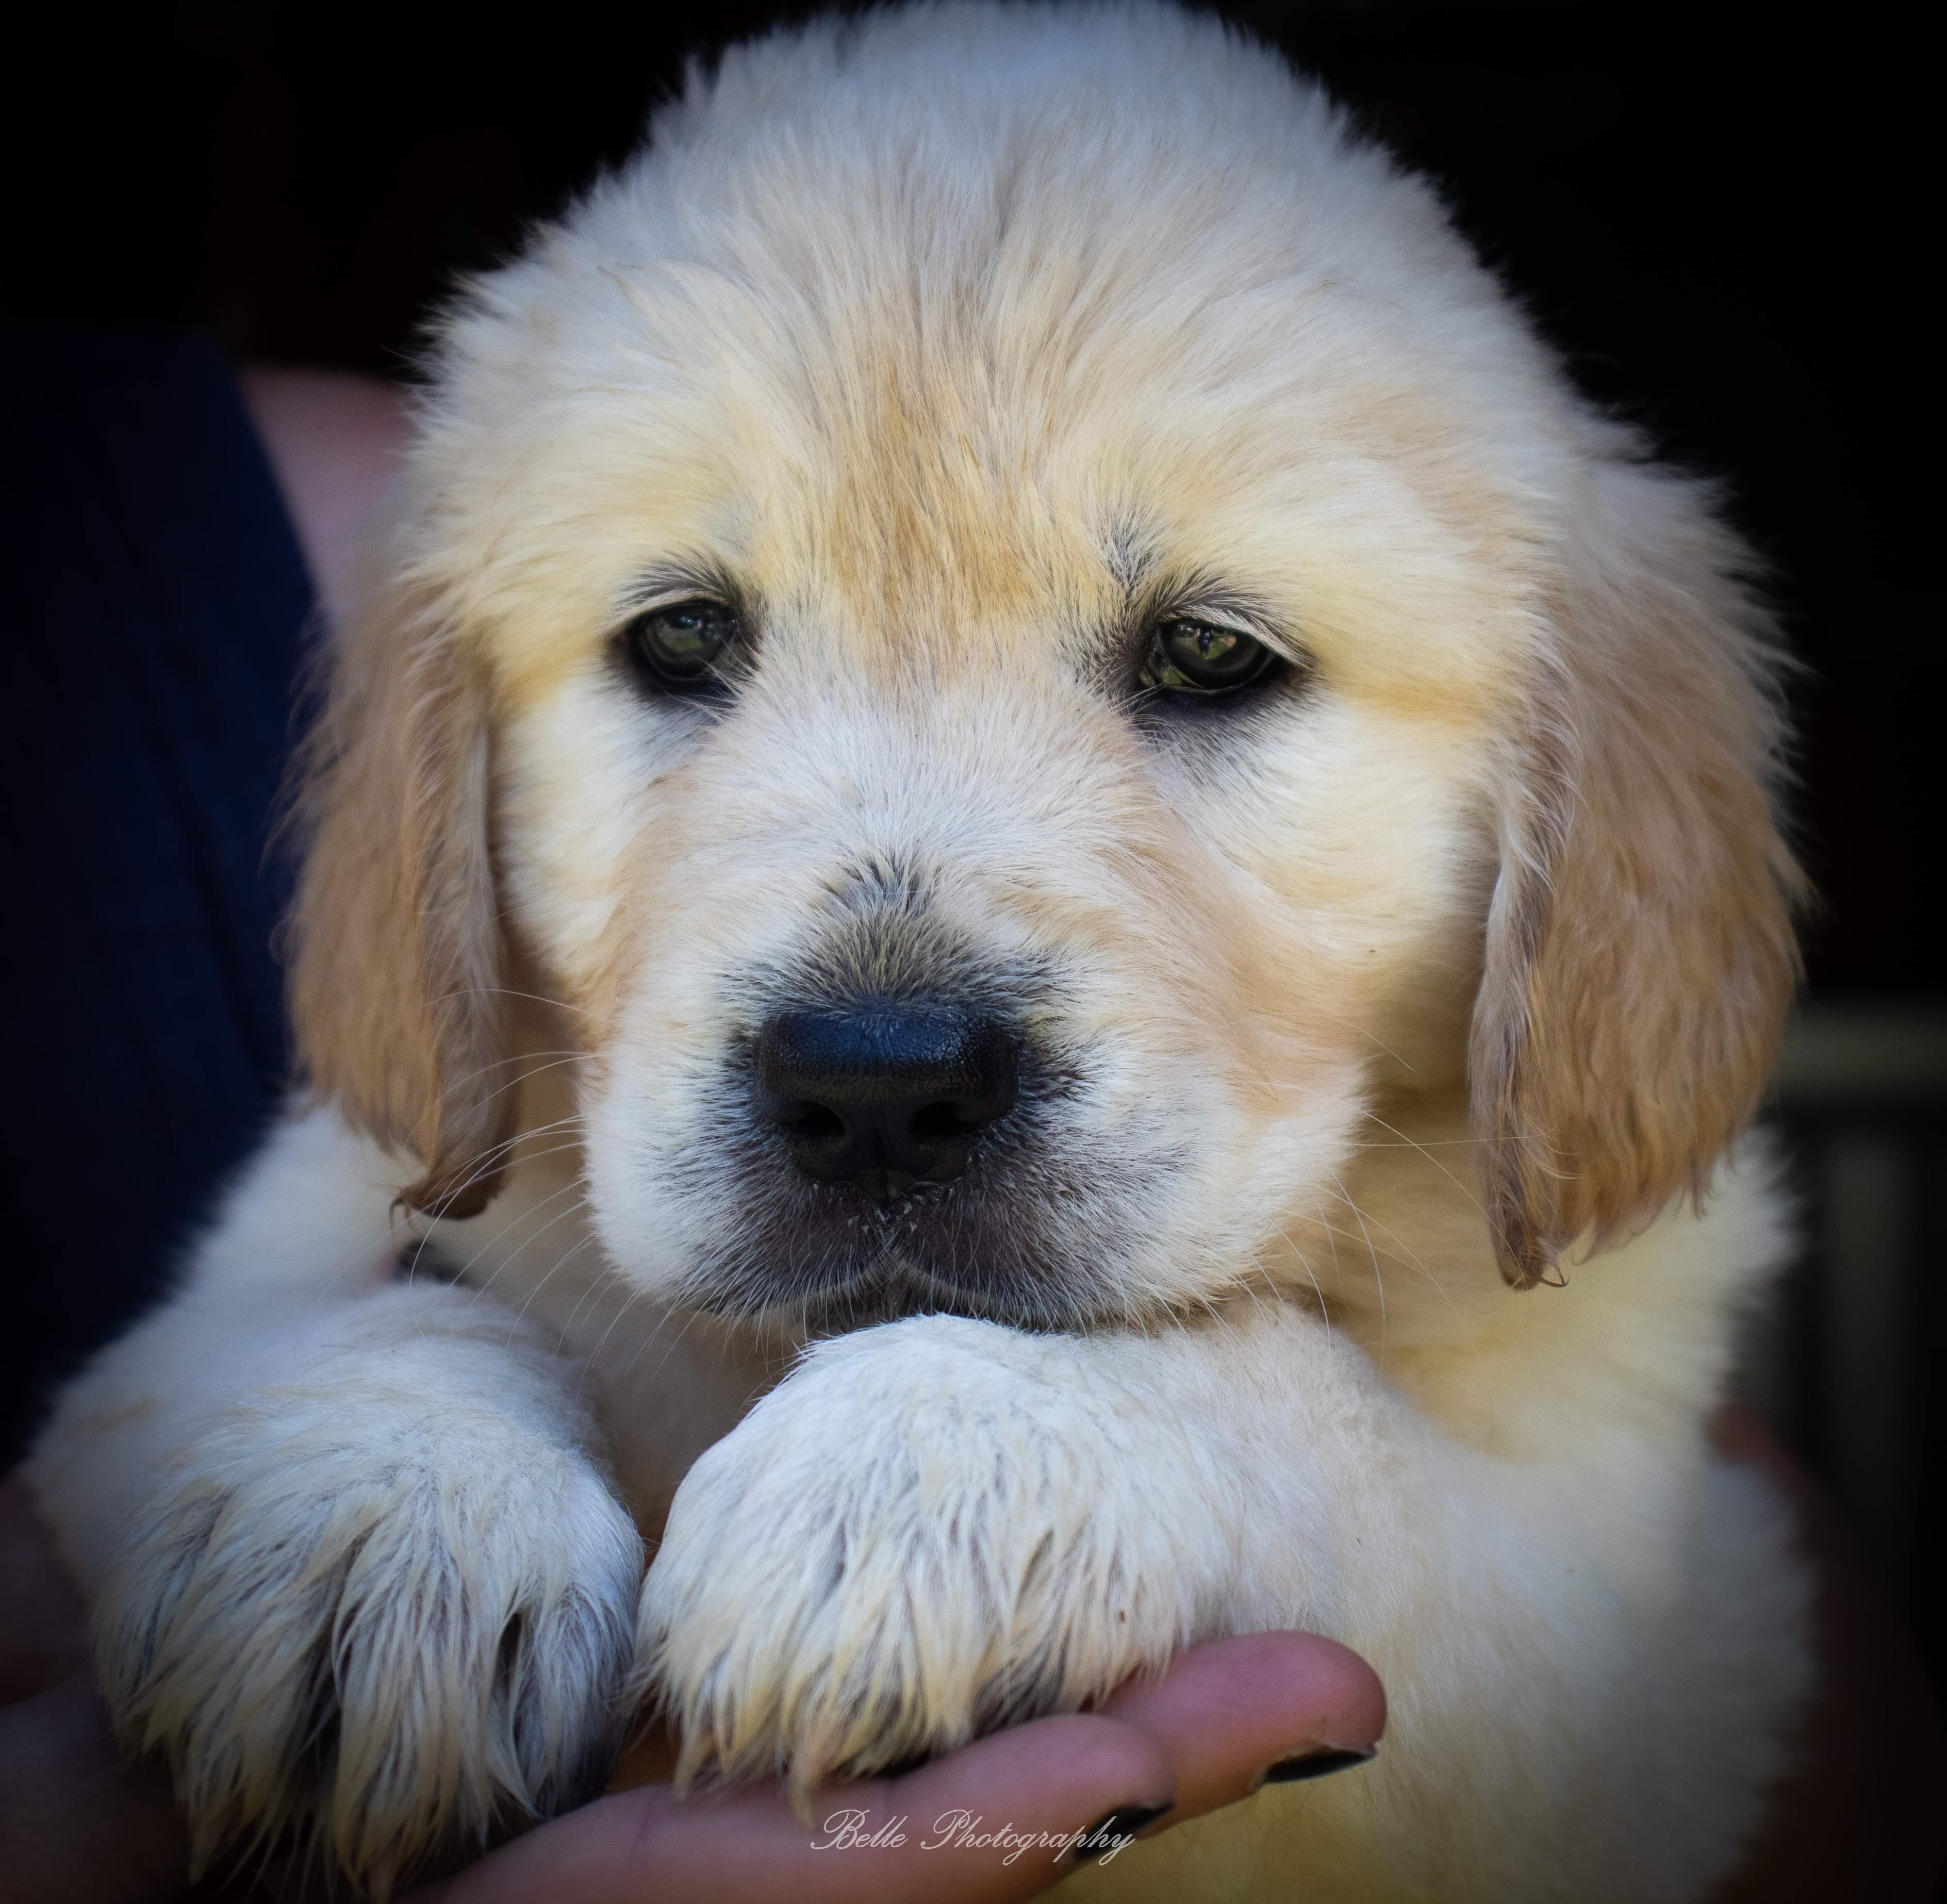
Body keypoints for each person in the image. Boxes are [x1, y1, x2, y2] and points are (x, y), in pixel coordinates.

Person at [0, 338, 1939, 1902]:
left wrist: (1242, 1474)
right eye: (684, 644)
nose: (881, 1027)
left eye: (1213, 659)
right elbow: (197, 1389)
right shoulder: (487, 947)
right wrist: (403, 1398)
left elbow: (1707, 1640)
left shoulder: (216, 516)